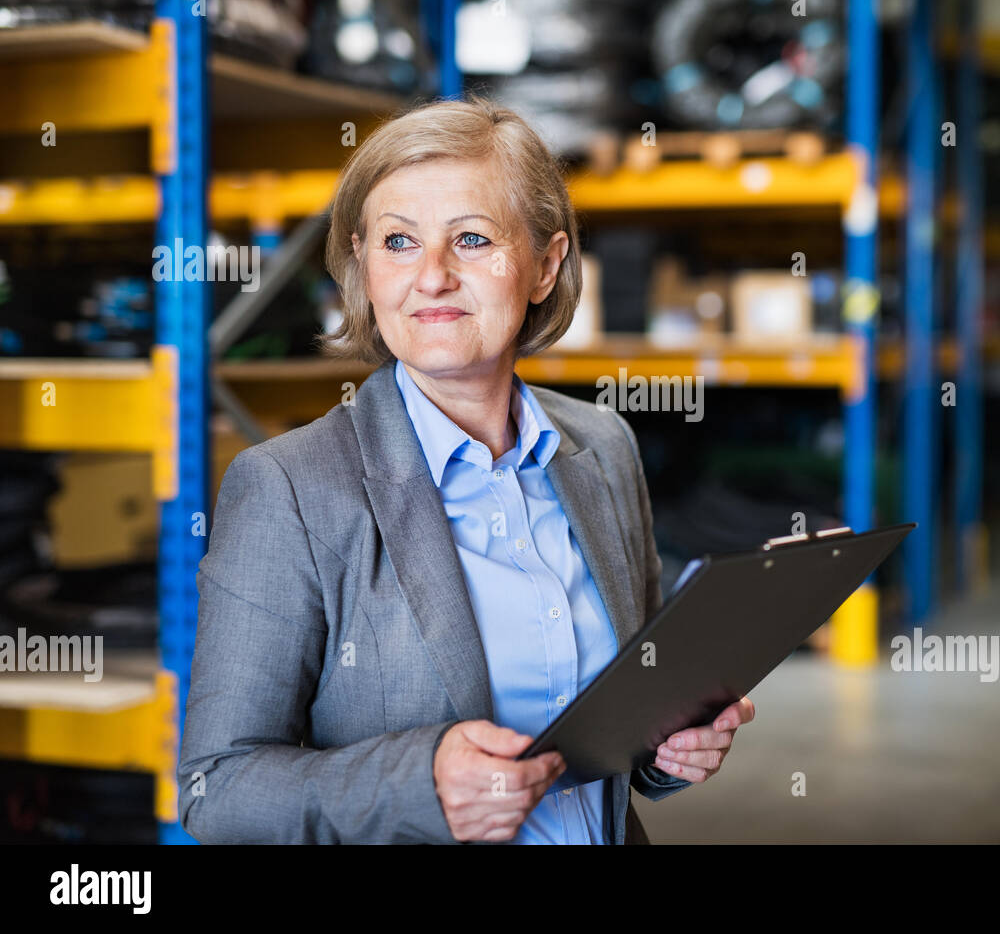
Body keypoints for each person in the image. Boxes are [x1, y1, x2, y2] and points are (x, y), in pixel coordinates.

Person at [178, 96, 755, 844]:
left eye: (473, 239)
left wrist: (671, 750)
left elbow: (627, 719)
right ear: (362, 264)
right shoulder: (290, 488)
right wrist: (417, 783)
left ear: (546, 266)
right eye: (398, 242)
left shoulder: (602, 447)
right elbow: (215, 788)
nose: (432, 276)